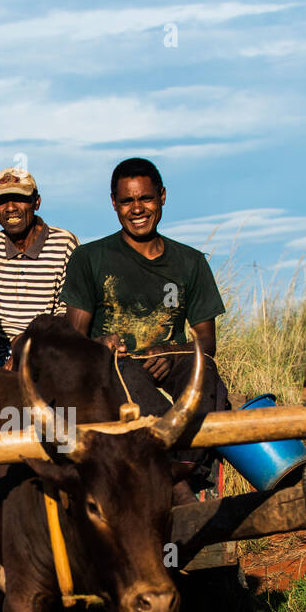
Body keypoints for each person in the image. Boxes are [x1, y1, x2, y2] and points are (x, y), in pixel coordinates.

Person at [62, 157, 231, 492]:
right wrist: (101, 345)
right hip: (116, 367)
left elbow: (206, 341)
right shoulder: (89, 258)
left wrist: (170, 351)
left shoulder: (190, 262)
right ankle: (175, 477)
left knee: (205, 374)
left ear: (162, 197)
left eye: (146, 198)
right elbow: (74, 339)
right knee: (127, 378)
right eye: (127, 201)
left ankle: (183, 468)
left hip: (174, 358)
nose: (137, 208)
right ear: (114, 204)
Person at [0, 168, 79, 367]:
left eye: (19, 198)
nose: (10, 208)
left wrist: (25, 345)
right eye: (1, 202)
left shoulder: (63, 243)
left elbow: (65, 315)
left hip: (43, 348)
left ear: (36, 202)